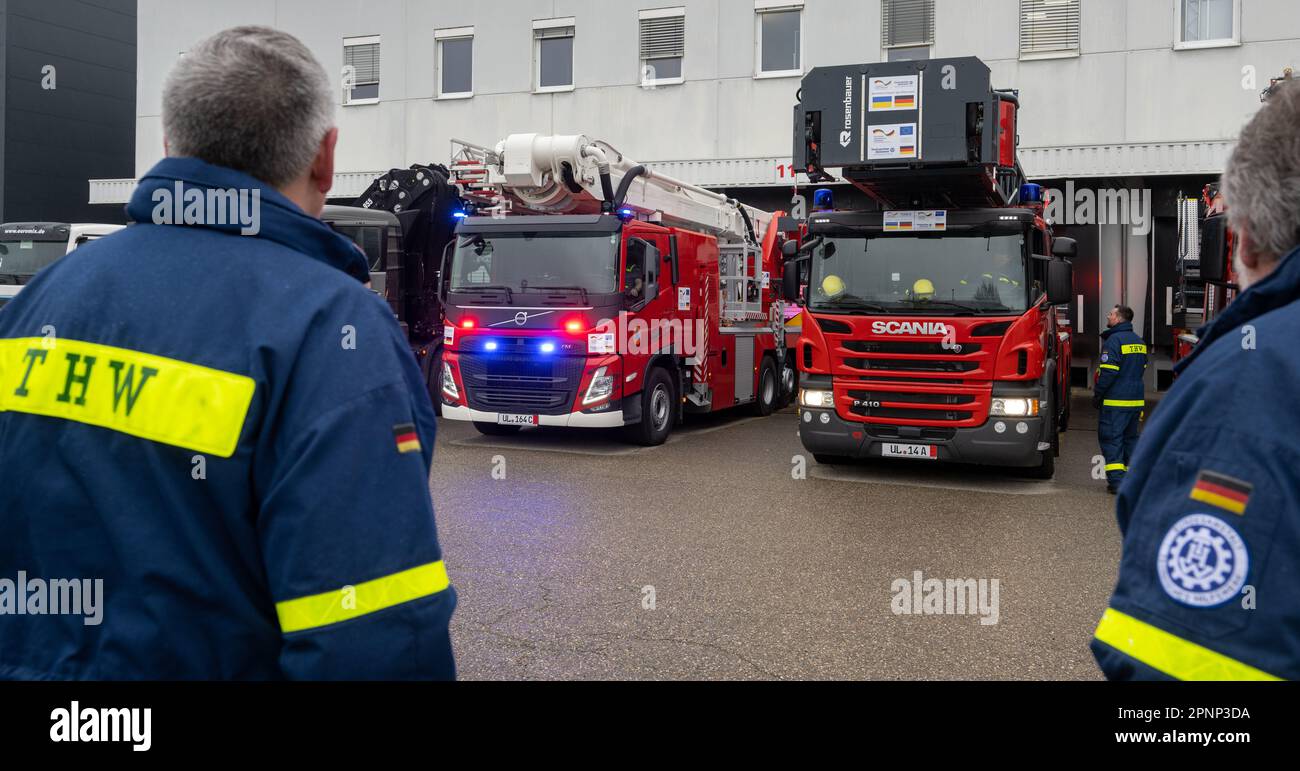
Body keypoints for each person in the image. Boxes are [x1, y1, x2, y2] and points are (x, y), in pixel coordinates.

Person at [0, 27, 456, 679]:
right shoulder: (332, 330)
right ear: (326, 158)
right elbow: (372, 642)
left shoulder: (38, 304)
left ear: (168, 148)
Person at [1092, 79, 1300, 680]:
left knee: (1116, 449)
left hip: (1118, 407)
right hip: (1133, 406)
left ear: (1248, 236)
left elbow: (1183, 673)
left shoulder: (1252, 382)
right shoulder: (1134, 341)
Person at [1092, 305, 1147, 493]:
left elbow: (1108, 372)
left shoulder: (1114, 341)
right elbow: (1142, 368)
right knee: (1130, 440)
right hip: (1135, 401)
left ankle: (1116, 483)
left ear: (1119, 318)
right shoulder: (1139, 341)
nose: (1108, 315)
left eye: (1111, 313)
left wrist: (1098, 394)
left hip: (1115, 401)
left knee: (1112, 440)